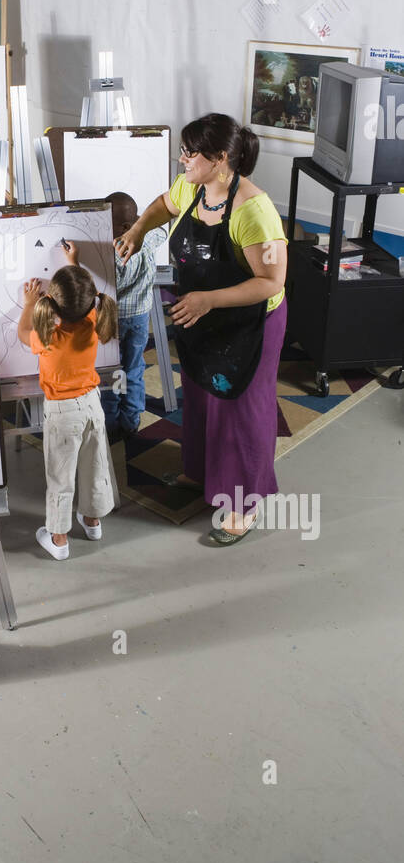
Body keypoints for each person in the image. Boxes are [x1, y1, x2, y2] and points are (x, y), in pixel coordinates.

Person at [115, 114, 287, 544]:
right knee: (201, 395)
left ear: (221, 159)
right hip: (199, 312)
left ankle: (243, 502)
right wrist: (138, 229)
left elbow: (271, 281)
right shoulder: (192, 187)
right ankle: (207, 474)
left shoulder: (254, 211)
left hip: (250, 321)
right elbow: (162, 204)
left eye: (191, 153)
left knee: (240, 405)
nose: (182, 159)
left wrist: (209, 299)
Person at [18, 244, 120, 560]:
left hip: (62, 413)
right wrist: (75, 264)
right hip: (92, 404)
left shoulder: (48, 336)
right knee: (95, 465)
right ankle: (92, 522)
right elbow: (83, 298)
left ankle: (59, 539)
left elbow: (23, 331)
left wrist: (29, 302)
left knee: (60, 476)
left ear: (52, 304)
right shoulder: (94, 318)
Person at [99, 191, 168, 441]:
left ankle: (110, 420)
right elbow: (163, 231)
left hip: (113, 321)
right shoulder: (148, 238)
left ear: (124, 226)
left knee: (112, 371)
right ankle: (131, 420)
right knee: (134, 368)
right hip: (139, 318)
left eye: (107, 221)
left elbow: (106, 283)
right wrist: (141, 223)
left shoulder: (114, 253)